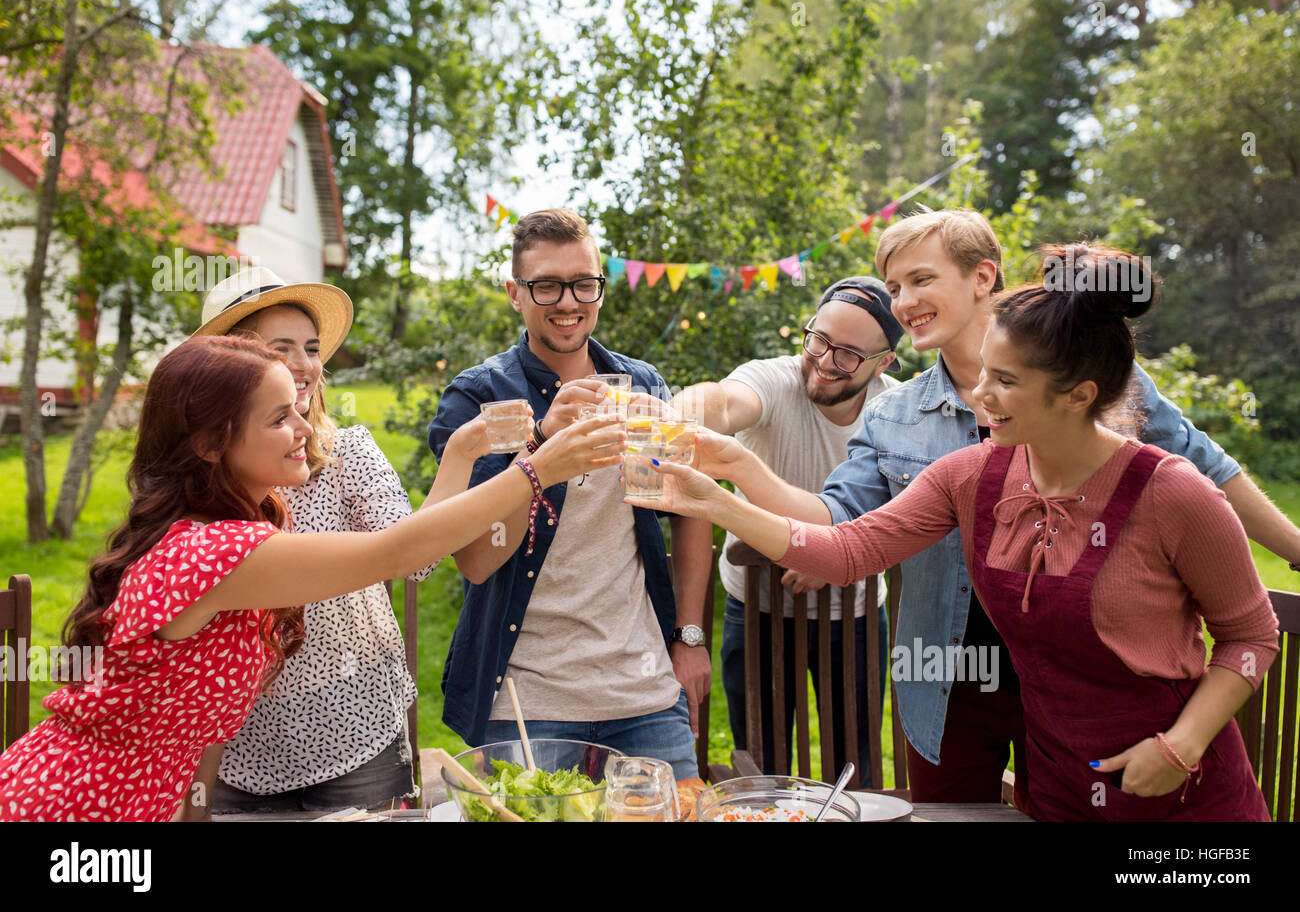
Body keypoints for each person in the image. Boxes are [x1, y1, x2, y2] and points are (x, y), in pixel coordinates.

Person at [634, 250, 1278, 820]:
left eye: (1004, 382)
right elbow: (848, 550)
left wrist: (1181, 745)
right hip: (1057, 793)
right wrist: (718, 493)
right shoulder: (970, 476)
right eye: (981, 375)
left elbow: (1252, 635)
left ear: (1078, 395)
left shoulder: (1174, 492)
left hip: (1185, 799)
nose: (977, 397)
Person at [0, 335, 620, 821]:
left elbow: (406, 549)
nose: (304, 429)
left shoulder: (234, 529)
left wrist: (467, 455)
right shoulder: (212, 552)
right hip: (73, 804)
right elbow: (394, 554)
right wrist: (537, 470)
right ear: (211, 444)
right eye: (278, 419)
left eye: (299, 410)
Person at [427, 209, 712, 780]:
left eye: (584, 283)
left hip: (645, 694)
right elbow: (479, 561)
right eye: (546, 286)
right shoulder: (481, 399)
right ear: (515, 293)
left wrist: (689, 636)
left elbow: (687, 507)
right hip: (528, 706)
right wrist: (541, 445)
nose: (568, 301)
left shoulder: (642, 386)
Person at [187, 266, 440, 813]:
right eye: (281, 350)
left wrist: (473, 458)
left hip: (356, 731)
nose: (303, 366)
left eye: (311, 347)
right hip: (235, 744)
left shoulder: (345, 451)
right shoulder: (198, 488)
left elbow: (414, 559)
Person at [673, 276, 900, 779]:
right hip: (756, 611)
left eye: (847, 355)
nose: (823, 361)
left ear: (884, 362)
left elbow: (909, 515)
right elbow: (726, 402)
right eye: (818, 340)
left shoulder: (896, 411)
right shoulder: (775, 378)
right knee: (760, 762)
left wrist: (832, 558)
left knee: (855, 763)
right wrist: (682, 411)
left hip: (856, 617)